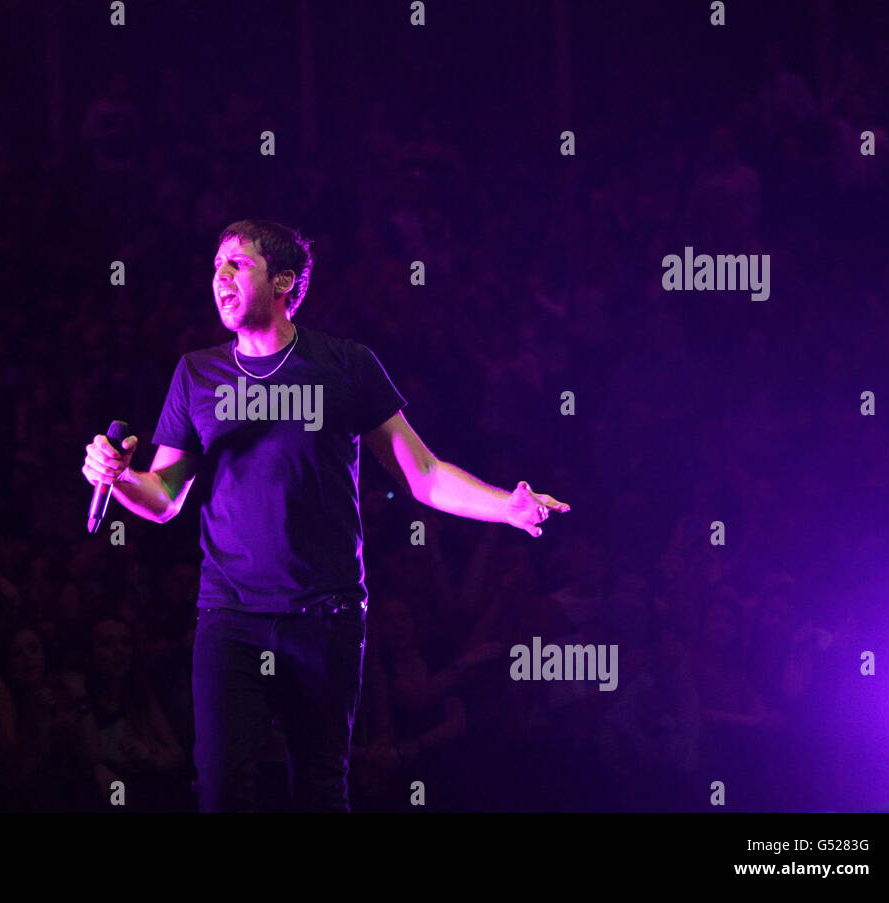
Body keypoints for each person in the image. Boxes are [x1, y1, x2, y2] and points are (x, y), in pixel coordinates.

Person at [80, 219, 570, 812]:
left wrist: (507, 509)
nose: (221, 276)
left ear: (285, 281)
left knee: (319, 789)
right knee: (221, 790)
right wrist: (118, 476)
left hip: (326, 614)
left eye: (239, 263)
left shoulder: (345, 364)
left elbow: (424, 473)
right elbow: (162, 499)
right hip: (231, 615)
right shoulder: (197, 374)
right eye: (216, 266)